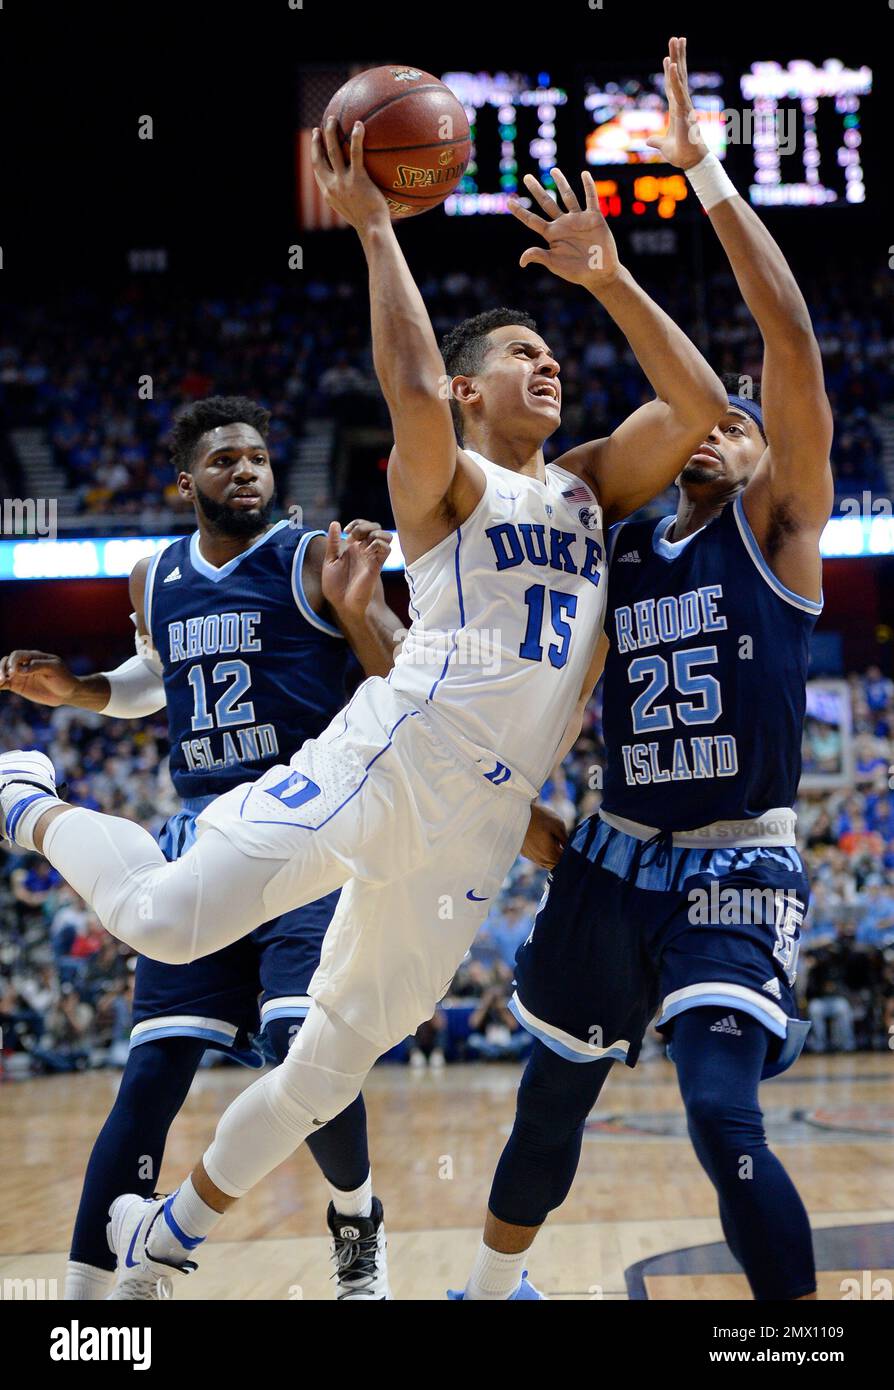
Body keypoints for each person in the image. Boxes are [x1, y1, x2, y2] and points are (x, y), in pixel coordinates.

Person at [0, 117, 726, 1291]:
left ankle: (163, 1237)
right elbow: (409, 384)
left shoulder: (589, 484)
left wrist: (609, 277)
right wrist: (378, 231)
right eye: (524, 353)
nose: (550, 365)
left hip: (481, 824)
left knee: (329, 1064)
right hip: (392, 757)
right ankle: (28, 802)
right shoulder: (447, 482)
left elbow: (696, 404)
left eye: (555, 352)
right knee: (166, 919)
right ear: (469, 389)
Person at [455, 38, 833, 1302]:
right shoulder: (616, 548)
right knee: (548, 1103)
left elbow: (789, 338)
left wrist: (705, 173)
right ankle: (493, 1291)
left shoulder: (779, 533)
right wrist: (517, 807)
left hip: (735, 864)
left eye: (744, 424)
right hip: (614, 857)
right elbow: (554, 689)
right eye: (709, 422)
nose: (725, 428)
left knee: (721, 1115)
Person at [0, 394, 400, 1300]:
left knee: (302, 1048)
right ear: (187, 483)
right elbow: (156, 680)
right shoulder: (153, 576)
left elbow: (396, 666)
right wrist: (81, 690)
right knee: (151, 1069)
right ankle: (93, 1297)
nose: (247, 471)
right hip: (201, 833)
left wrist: (363, 605)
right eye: (225, 461)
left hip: (303, 830)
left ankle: (356, 1224)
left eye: (257, 457)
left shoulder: (312, 557)